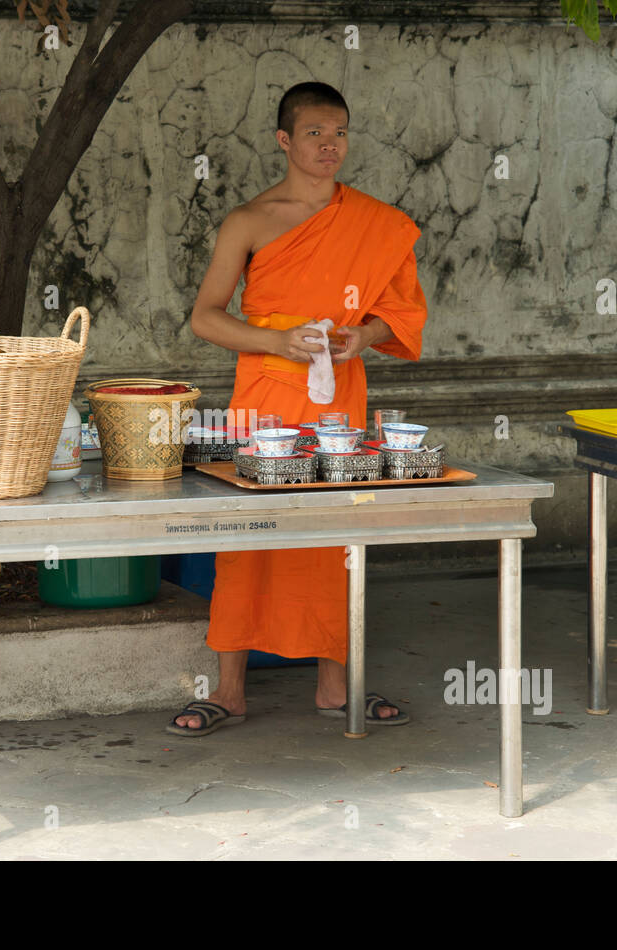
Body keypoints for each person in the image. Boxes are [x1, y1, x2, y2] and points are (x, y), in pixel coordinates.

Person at [174, 81, 428, 736]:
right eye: (315, 133)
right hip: (263, 398)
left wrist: (361, 337)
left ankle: (335, 687)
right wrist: (277, 341)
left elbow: (396, 317)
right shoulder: (250, 222)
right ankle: (228, 691)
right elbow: (205, 317)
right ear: (285, 140)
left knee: (335, 536)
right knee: (248, 538)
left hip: (339, 393)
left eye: (339, 133)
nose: (329, 146)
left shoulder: (373, 221)